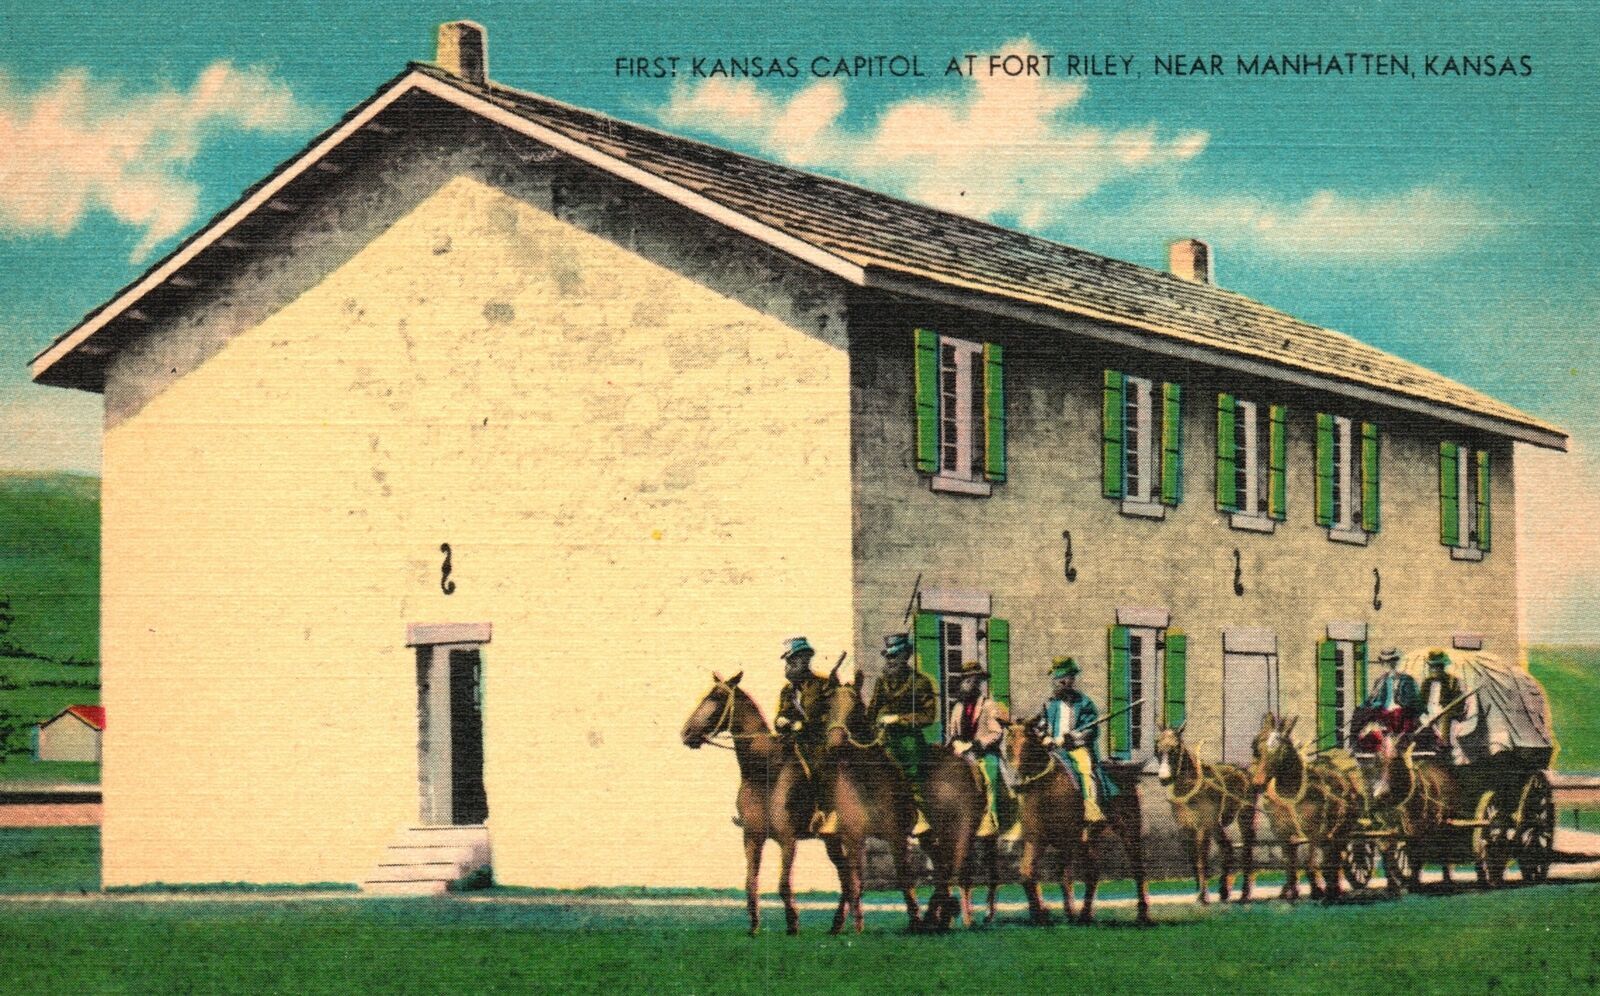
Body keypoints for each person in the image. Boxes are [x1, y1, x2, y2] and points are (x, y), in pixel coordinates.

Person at [867, 632, 936, 836]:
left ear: (906, 656)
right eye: (888, 657)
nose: (890, 661)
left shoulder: (921, 682)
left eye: (894, 656)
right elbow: (872, 710)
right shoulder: (882, 682)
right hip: (883, 737)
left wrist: (899, 719)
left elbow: (928, 716)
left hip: (908, 738)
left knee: (911, 767)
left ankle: (920, 814)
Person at [1035, 657, 1118, 826]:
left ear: (1071, 680)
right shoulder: (1049, 703)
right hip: (1052, 749)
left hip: (1076, 749)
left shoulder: (1084, 703)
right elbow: (1041, 724)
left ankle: (1092, 809)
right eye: (1056, 679)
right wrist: (1046, 738)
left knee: (1086, 768)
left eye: (1063, 678)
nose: (1058, 682)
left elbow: (1090, 729)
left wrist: (1071, 738)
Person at [944, 659, 1009, 838]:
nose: (967, 684)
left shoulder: (988, 705)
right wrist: (956, 743)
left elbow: (996, 732)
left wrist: (976, 745)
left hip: (983, 753)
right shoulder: (957, 707)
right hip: (962, 753)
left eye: (972, 681)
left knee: (991, 775)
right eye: (965, 681)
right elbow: (953, 733)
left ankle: (990, 817)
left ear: (978, 683)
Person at [773, 636, 831, 832]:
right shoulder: (787, 691)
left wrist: (804, 726)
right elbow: (781, 714)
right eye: (787, 662)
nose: (787, 667)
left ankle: (824, 813)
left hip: (818, 741)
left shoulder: (823, 684)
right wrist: (781, 722)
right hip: (794, 742)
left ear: (805, 660)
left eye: (791, 661)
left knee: (818, 766)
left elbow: (832, 717)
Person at [1355, 647, 1420, 752]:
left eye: (1392, 662)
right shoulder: (1381, 680)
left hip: (1401, 713)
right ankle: (1355, 745)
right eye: (1385, 662)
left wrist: (1400, 703)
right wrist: (1366, 706)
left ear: (1397, 662)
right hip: (1384, 712)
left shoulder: (1408, 680)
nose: (1389, 665)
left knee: (1397, 716)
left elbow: (1413, 702)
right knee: (1359, 712)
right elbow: (1376, 699)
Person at [1415, 649, 1466, 754]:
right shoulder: (1426, 683)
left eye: (1437, 667)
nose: (1434, 670)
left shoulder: (1453, 681)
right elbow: (1420, 702)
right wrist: (1424, 715)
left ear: (1442, 667)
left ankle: (1443, 746)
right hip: (1428, 714)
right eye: (1432, 667)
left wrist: (1443, 711)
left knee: (1444, 717)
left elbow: (1459, 704)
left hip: (1445, 713)